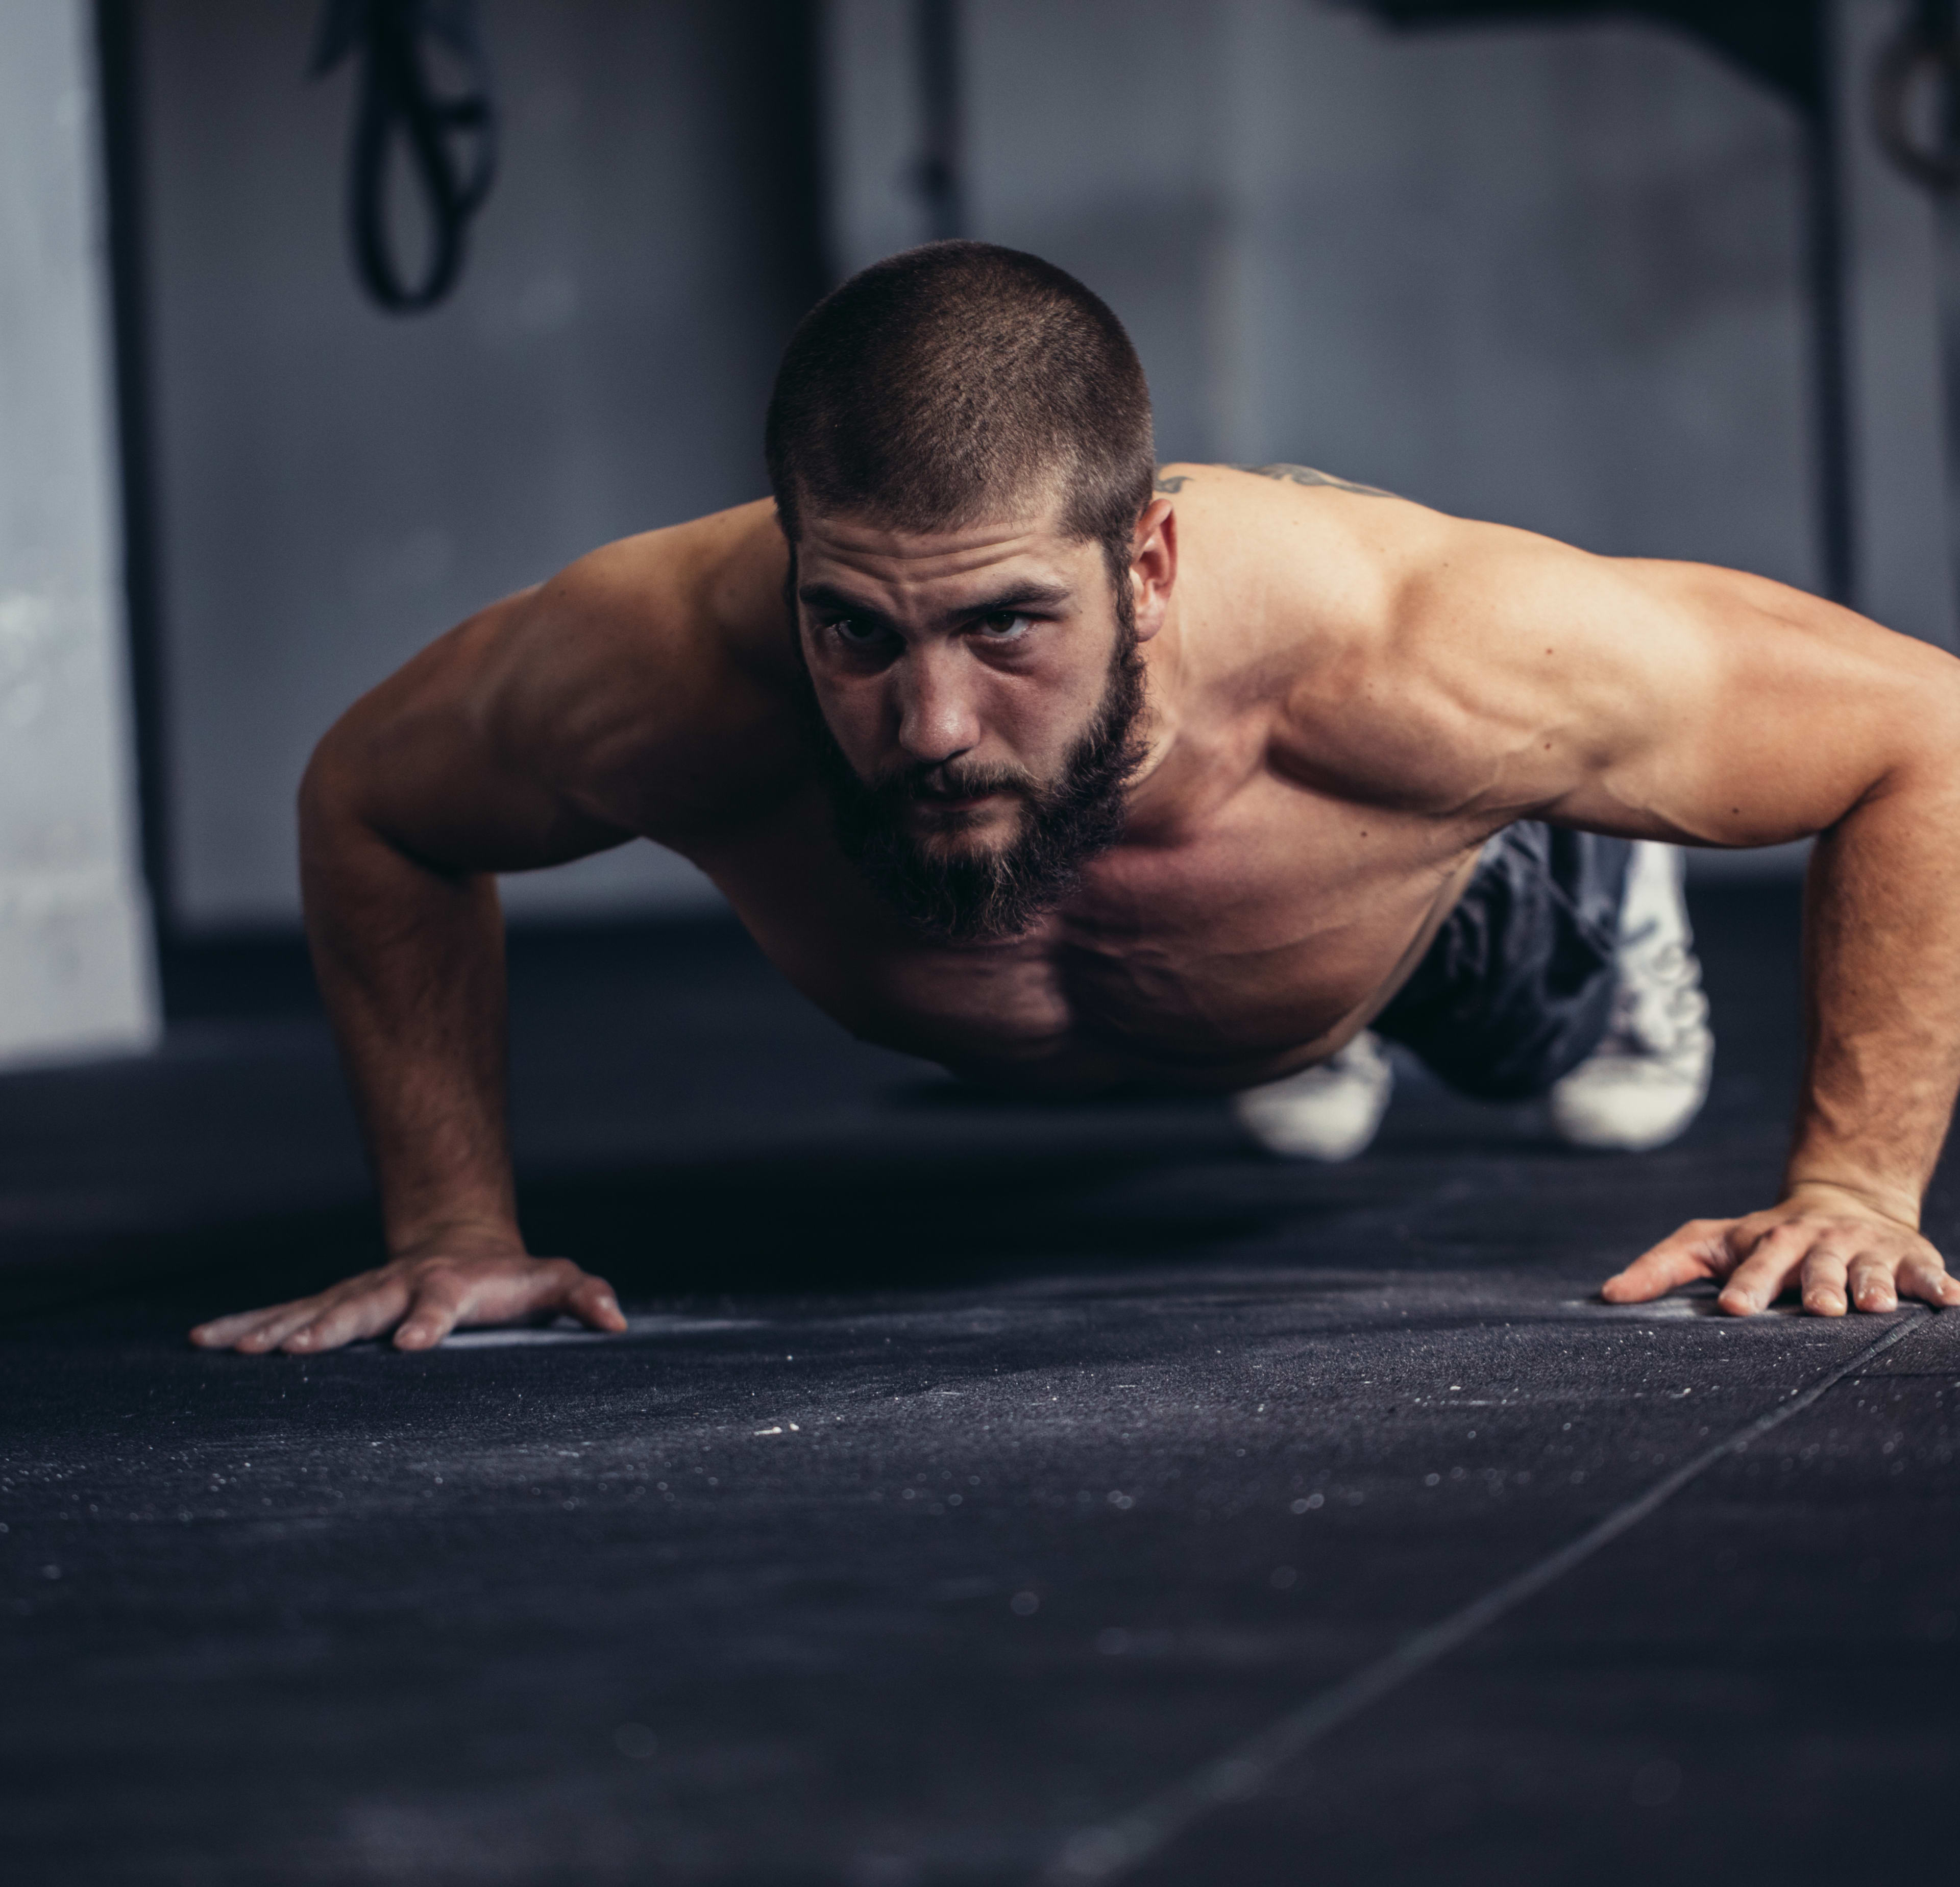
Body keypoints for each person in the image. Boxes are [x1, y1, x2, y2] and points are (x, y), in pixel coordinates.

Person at [191, 241, 1960, 1358]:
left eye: (1005, 625)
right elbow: (373, 800)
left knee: (1561, 1056)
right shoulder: (657, 665)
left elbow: (1926, 728)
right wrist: (453, 1229)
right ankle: (1278, 1023)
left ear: (1150, 565)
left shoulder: (1419, 652)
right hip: (1186, 937)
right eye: (857, 629)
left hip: (1406, 895)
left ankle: (1577, 893)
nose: (932, 723)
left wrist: (1857, 1188)